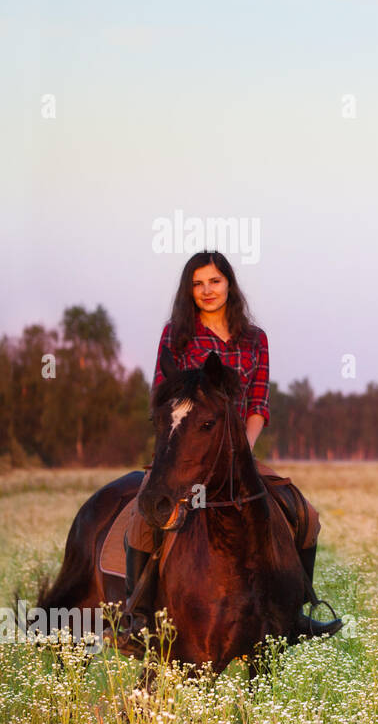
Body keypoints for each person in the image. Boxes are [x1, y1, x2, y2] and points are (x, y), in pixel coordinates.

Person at [121, 251, 342, 640]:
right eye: (198, 283)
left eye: (214, 281)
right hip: (185, 453)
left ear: (229, 284)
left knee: (306, 515)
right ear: (189, 290)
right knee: (144, 518)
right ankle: (136, 617)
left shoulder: (255, 340)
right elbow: (162, 394)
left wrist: (242, 450)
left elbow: (258, 403)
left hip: (239, 454)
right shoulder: (176, 335)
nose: (207, 290)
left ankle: (297, 612)